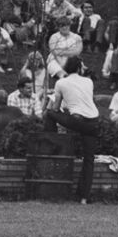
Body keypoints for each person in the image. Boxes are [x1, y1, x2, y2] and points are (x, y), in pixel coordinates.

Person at [43, 56, 100, 204]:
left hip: (77, 120)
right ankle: (84, 197)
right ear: (80, 67)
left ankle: (52, 143)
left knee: (49, 114)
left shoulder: (61, 83)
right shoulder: (88, 81)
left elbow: (55, 108)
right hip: (93, 121)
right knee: (89, 160)